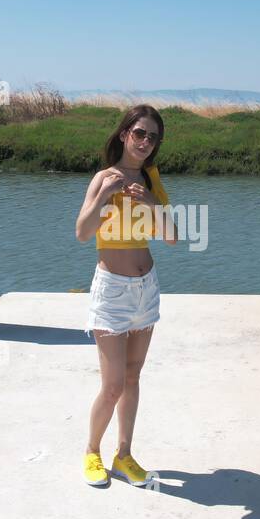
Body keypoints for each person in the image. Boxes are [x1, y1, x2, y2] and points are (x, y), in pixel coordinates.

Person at [74, 105, 178, 487]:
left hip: (146, 289)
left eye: (153, 137)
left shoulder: (151, 179)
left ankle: (124, 455)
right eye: (139, 133)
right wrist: (104, 195)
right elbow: (83, 232)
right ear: (123, 135)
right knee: (113, 384)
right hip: (112, 292)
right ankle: (91, 451)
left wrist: (152, 204)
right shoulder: (103, 177)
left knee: (133, 378)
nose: (146, 143)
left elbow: (171, 236)